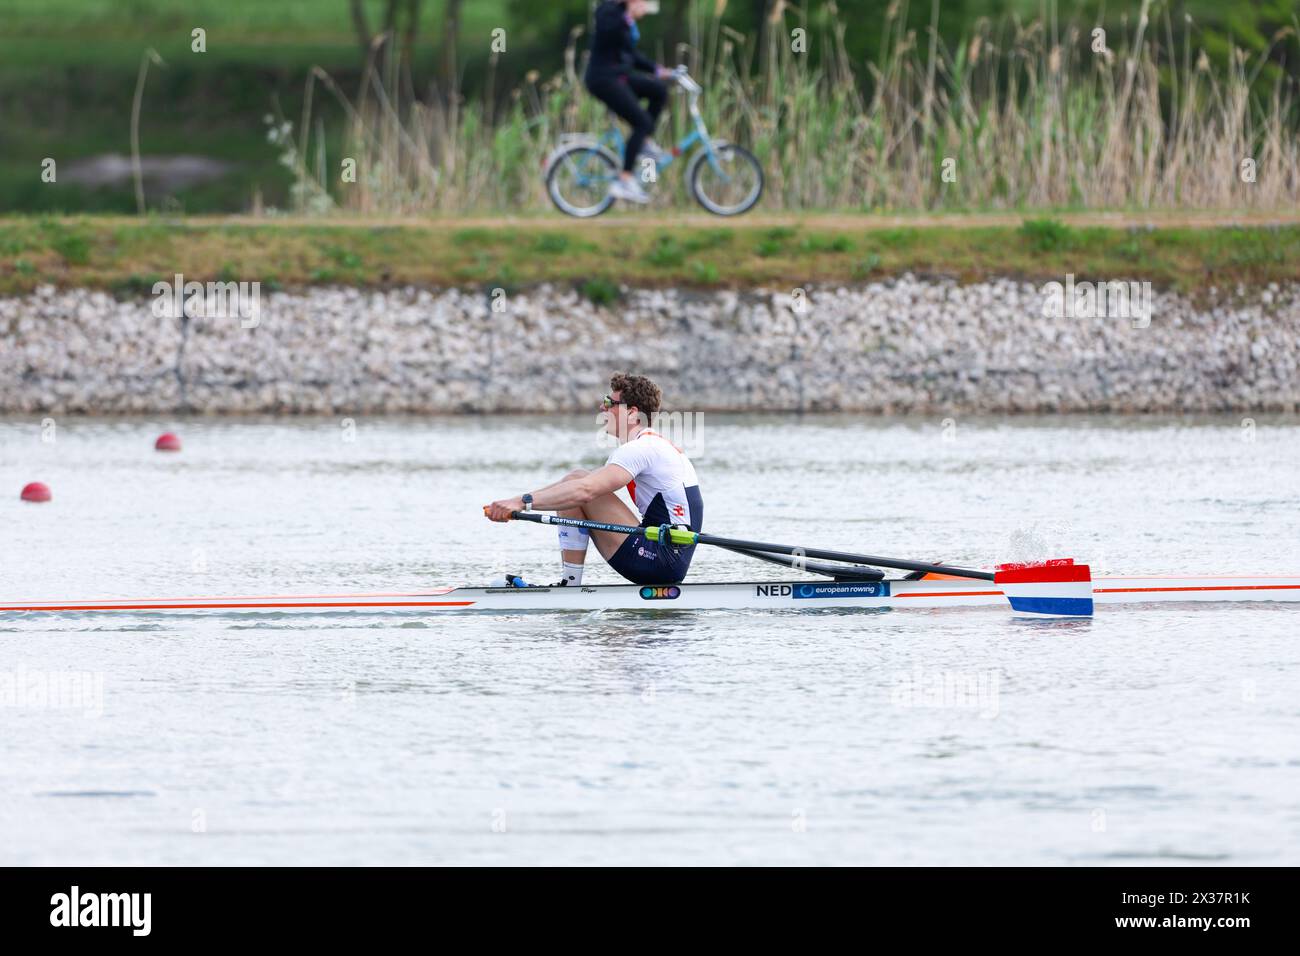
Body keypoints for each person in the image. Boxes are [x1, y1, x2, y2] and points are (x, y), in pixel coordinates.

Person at [484, 372, 703, 587]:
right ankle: (570, 583)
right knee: (576, 479)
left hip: (660, 559)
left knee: (579, 486)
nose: (603, 407)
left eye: (610, 402)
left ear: (632, 413)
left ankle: (570, 585)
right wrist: (517, 501)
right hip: (666, 553)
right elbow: (574, 485)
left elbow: (584, 491)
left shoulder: (640, 449)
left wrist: (521, 502)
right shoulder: (653, 445)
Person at [584, 0, 673, 204]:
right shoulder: (609, 11)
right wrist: (628, 14)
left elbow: (632, 57)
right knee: (642, 122)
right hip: (602, 79)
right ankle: (624, 180)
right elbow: (607, 29)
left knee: (658, 91)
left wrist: (660, 71)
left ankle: (644, 142)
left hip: (618, 77)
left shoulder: (624, 18)